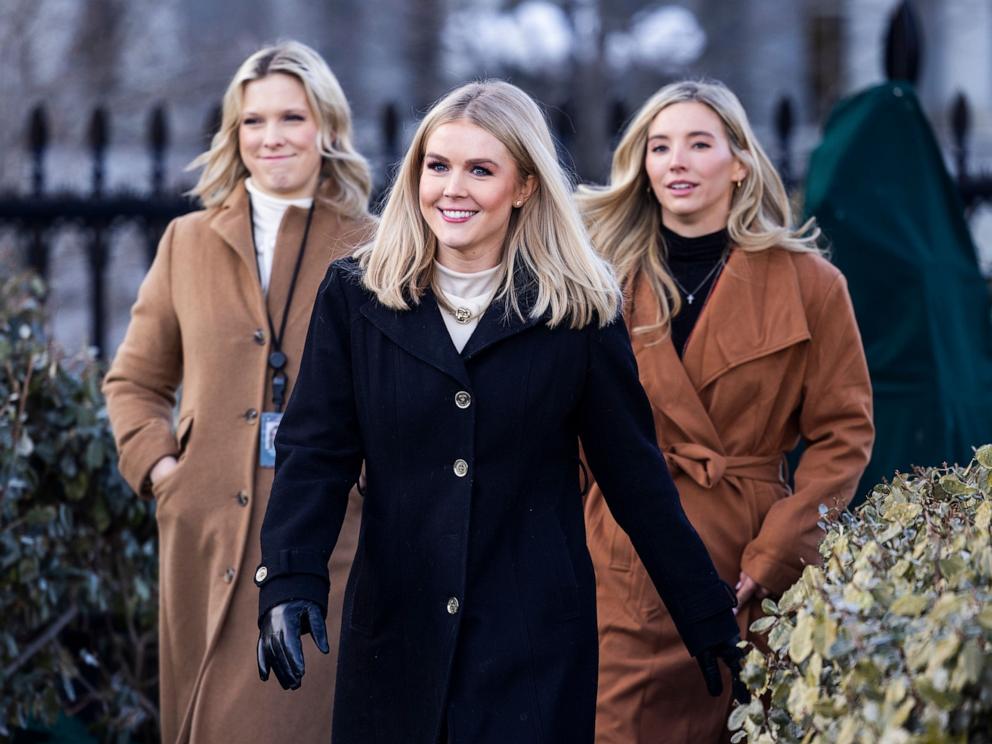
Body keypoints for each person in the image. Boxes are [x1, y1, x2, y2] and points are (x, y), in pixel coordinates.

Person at [253, 80, 744, 744]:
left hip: (533, 649)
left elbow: (634, 476)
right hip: (398, 636)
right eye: (438, 165)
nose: (452, 188)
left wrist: (706, 613)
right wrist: (289, 574)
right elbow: (316, 452)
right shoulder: (355, 297)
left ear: (525, 187)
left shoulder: (578, 308)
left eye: (480, 169)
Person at [578, 79, 875, 742]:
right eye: (659, 146)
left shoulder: (811, 284)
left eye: (698, 144)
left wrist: (777, 553)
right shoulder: (597, 283)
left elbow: (843, 435)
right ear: (642, 164)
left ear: (738, 163)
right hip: (625, 556)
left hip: (751, 560)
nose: (676, 161)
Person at [103, 40, 374, 744]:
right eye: (253, 121)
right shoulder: (186, 241)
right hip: (203, 535)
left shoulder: (375, 248)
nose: (272, 137)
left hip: (327, 540)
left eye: (292, 117)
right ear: (234, 133)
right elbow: (135, 379)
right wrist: (164, 472)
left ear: (328, 128)